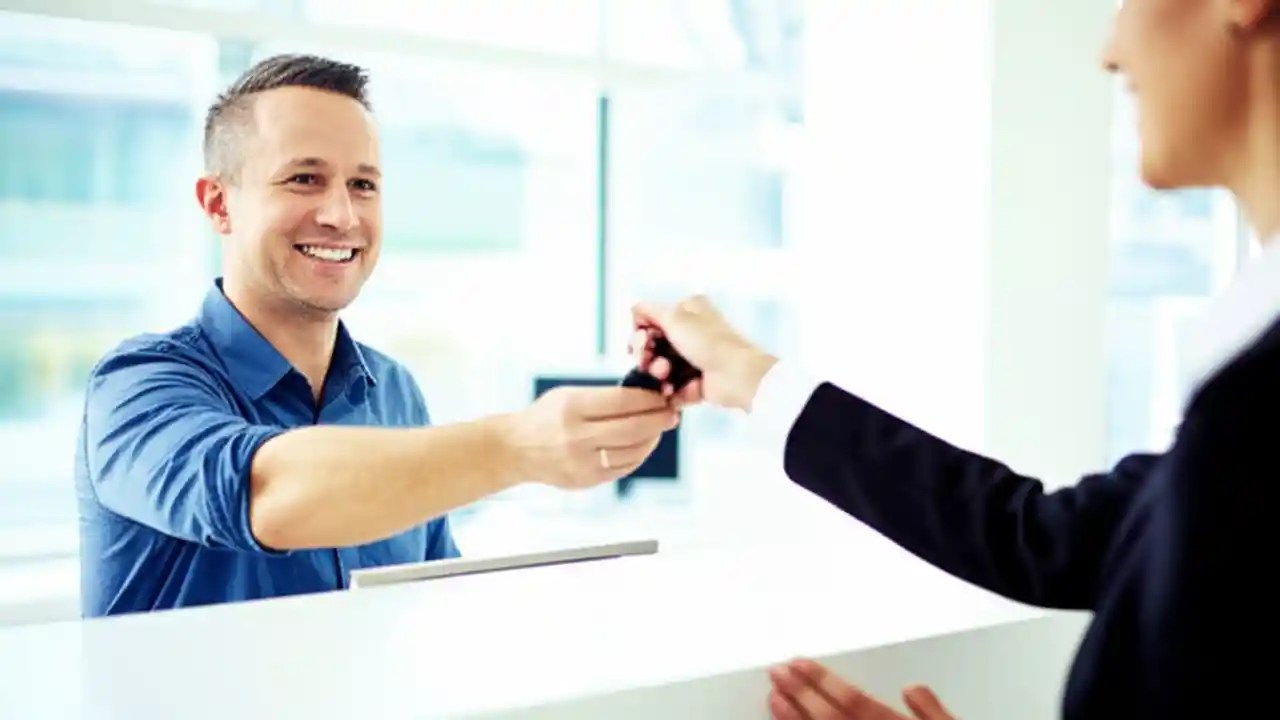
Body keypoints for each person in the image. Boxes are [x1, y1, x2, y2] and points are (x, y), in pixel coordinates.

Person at [632, 1, 1279, 717]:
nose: (1110, 51)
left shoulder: (1258, 396)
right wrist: (749, 377)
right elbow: (1042, 538)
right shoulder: (1243, 384)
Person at [73, 53, 677, 618]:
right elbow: (269, 493)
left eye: (363, 185)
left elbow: (432, 608)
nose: (342, 215)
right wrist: (521, 445)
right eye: (305, 179)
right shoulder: (137, 387)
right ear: (218, 204)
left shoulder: (395, 394)